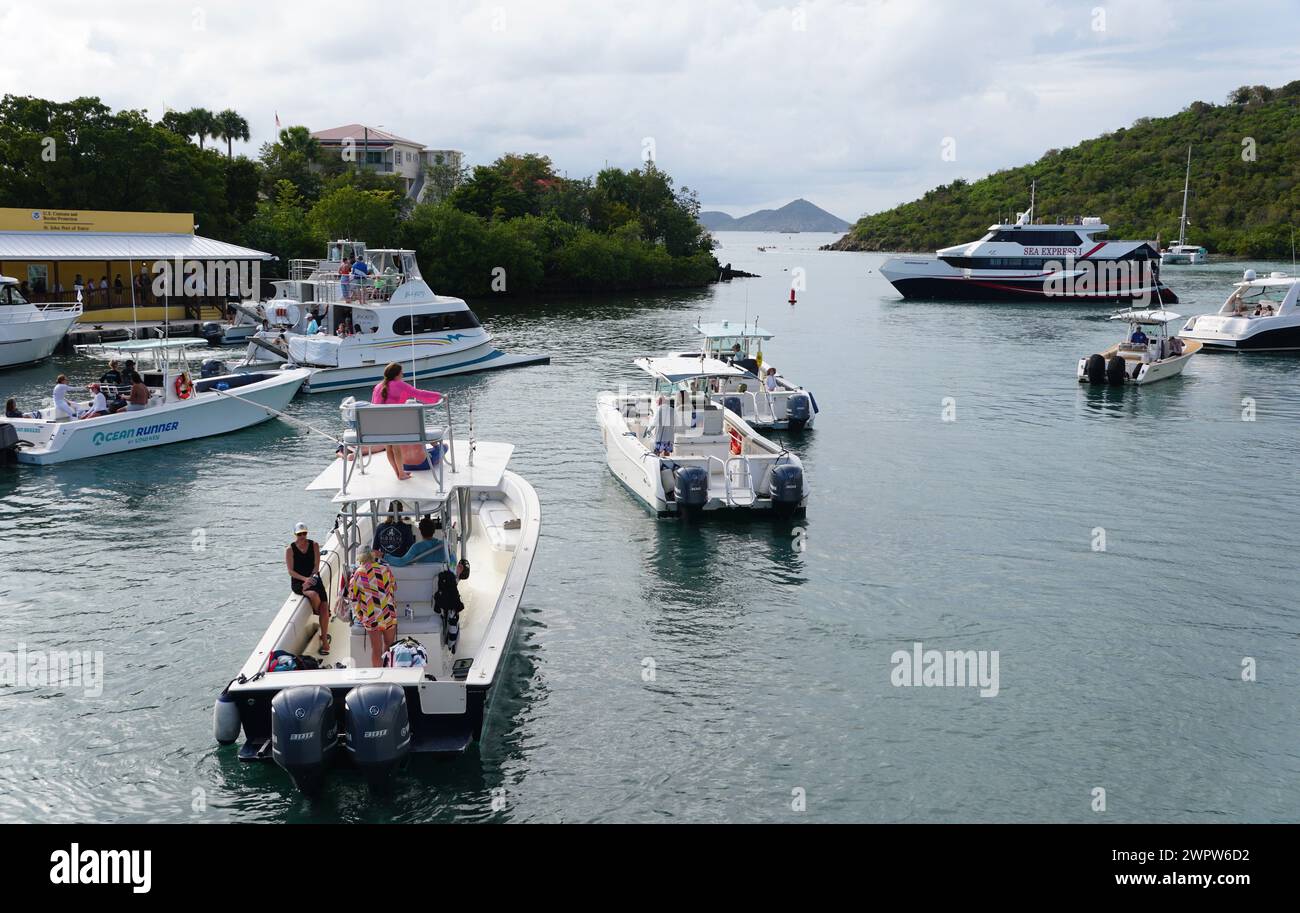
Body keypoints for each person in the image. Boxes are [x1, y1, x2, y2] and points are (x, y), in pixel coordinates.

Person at [372, 363, 444, 480]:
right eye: (401, 372)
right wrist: (439, 396)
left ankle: (398, 472)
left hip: (380, 426)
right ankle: (401, 474)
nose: (403, 374)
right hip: (393, 424)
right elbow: (419, 393)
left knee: (389, 448)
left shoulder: (377, 387)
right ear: (396, 374)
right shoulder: (399, 384)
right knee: (396, 447)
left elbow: (373, 406)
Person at [347, 549, 397, 667]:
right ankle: (390, 673)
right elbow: (394, 587)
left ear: (360, 558)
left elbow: (353, 596)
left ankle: (379, 677)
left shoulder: (358, 573)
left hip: (371, 616)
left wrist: (359, 615)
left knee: (376, 649)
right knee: (390, 646)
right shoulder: (385, 569)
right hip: (388, 613)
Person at [286, 523, 331, 655]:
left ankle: (324, 636)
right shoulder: (290, 549)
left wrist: (311, 578)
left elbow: (316, 566)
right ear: (295, 534)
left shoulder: (314, 545)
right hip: (299, 581)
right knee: (313, 595)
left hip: (313, 577)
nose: (302, 536)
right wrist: (305, 580)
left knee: (324, 605)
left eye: (304, 533)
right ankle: (319, 613)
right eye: (299, 534)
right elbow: (290, 571)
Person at [386, 517, 456, 567]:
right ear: (434, 530)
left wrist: (384, 556)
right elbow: (453, 564)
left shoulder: (416, 547)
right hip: (441, 582)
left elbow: (401, 562)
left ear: (420, 531)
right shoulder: (444, 546)